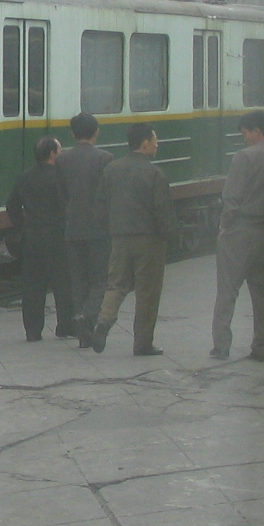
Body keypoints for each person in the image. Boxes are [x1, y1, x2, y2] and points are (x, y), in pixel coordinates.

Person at [211, 110, 264, 362]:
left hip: (240, 231)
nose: (245, 138)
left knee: (227, 290)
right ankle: (262, 347)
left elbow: (232, 197)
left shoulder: (244, 157)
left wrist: (225, 226)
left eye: (245, 133)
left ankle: (221, 346)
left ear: (256, 131)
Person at [90, 122, 179, 357]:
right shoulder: (155, 173)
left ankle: (104, 322)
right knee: (147, 292)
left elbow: (100, 206)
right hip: (149, 241)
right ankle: (142, 343)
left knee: (117, 285)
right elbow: (163, 212)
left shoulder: (112, 169)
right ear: (145, 143)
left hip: (119, 237)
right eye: (155, 140)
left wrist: (109, 229)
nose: (157, 145)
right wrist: (171, 236)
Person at [6, 135, 79, 342]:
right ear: (52, 154)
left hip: (33, 238)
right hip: (58, 236)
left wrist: (23, 226)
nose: (62, 154)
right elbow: (68, 206)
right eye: (60, 150)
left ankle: (33, 331)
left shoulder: (24, 177)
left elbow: (12, 205)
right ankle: (65, 326)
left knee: (32, 286)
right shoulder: (61, 177)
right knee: (63, 283)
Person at [57, 112, 114, 347]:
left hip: (72, 227)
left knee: (78, 279)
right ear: (97, 131)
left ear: (72, 133)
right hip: (99, 229)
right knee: (100, 279)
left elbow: (61, 195)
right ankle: (88, 315)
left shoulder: (61, 160)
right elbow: (108, 195)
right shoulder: (105, 158)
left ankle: (83, 336)